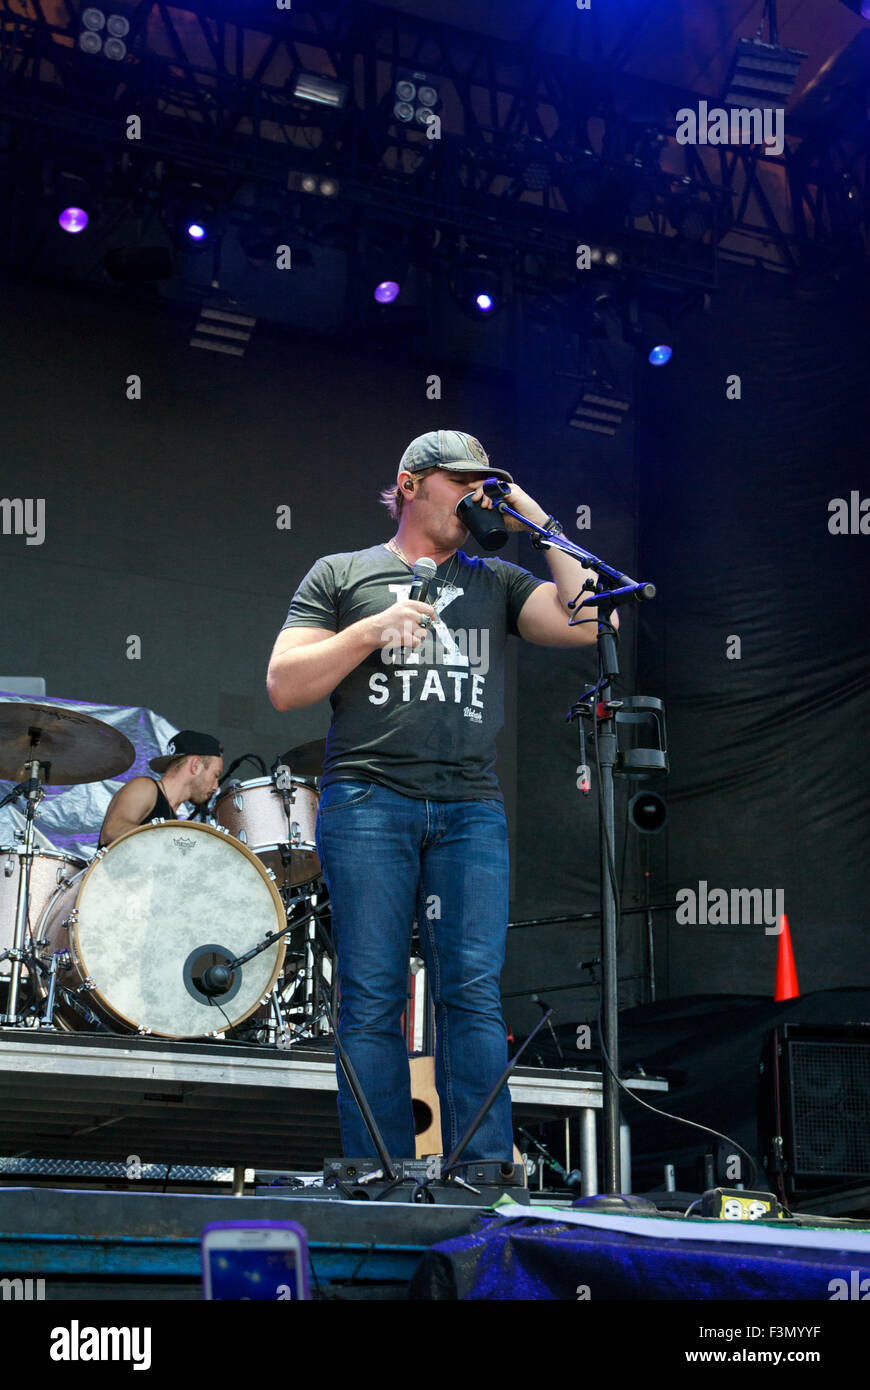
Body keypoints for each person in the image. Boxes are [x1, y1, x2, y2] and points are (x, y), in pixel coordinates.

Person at [266, 429, 607, 1162]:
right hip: (367, 802)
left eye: (483, 483)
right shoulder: (343, 571)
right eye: (460, 480)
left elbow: (589, 621)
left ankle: (483, 1171)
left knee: (473, 994)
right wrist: (368, 632)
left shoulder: (497, 581)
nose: (474, 494)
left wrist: (531, 513)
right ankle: (377, 1170)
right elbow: (285, 684)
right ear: (412, 483)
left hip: (469, 810)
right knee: (371, 997)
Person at [98, 730, 223, 848]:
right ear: (195, 766)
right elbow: (112, 831)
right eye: (215, 775)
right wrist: (171, 840)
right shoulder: (145, 787)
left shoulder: (171, 817)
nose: (216, 787)